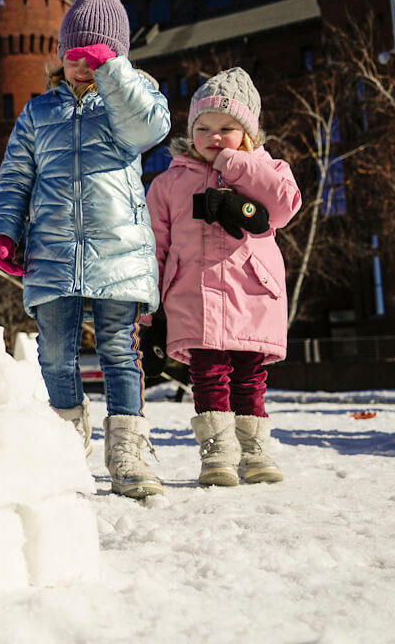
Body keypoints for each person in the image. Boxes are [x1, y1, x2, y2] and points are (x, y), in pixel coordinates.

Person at [0, 0, 170, 499]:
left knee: (118, 349)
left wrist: (114, 71)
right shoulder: (40, 112)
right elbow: (14, 176)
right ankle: (65, 441)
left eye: (96, 54)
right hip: (52, 247)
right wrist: (3, 228)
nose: (83, 63)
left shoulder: (133, 101)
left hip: (119, 251)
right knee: (55, 351)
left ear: (116, 58)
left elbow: (149, 130)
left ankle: (128, 450)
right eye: (75, 54)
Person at [145, 67, 301, 486]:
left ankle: (254, 450)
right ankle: (217, 451)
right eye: (204, 127)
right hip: (192, 296)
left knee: (250, 376)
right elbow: (155, 245)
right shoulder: (170, 183)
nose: (214, 136)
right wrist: (148, 308)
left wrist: (236, 164)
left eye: (227, 128)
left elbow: (285, 207)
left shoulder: (267, 169)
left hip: (252, 294)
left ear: (248, 131)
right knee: (208, 375)